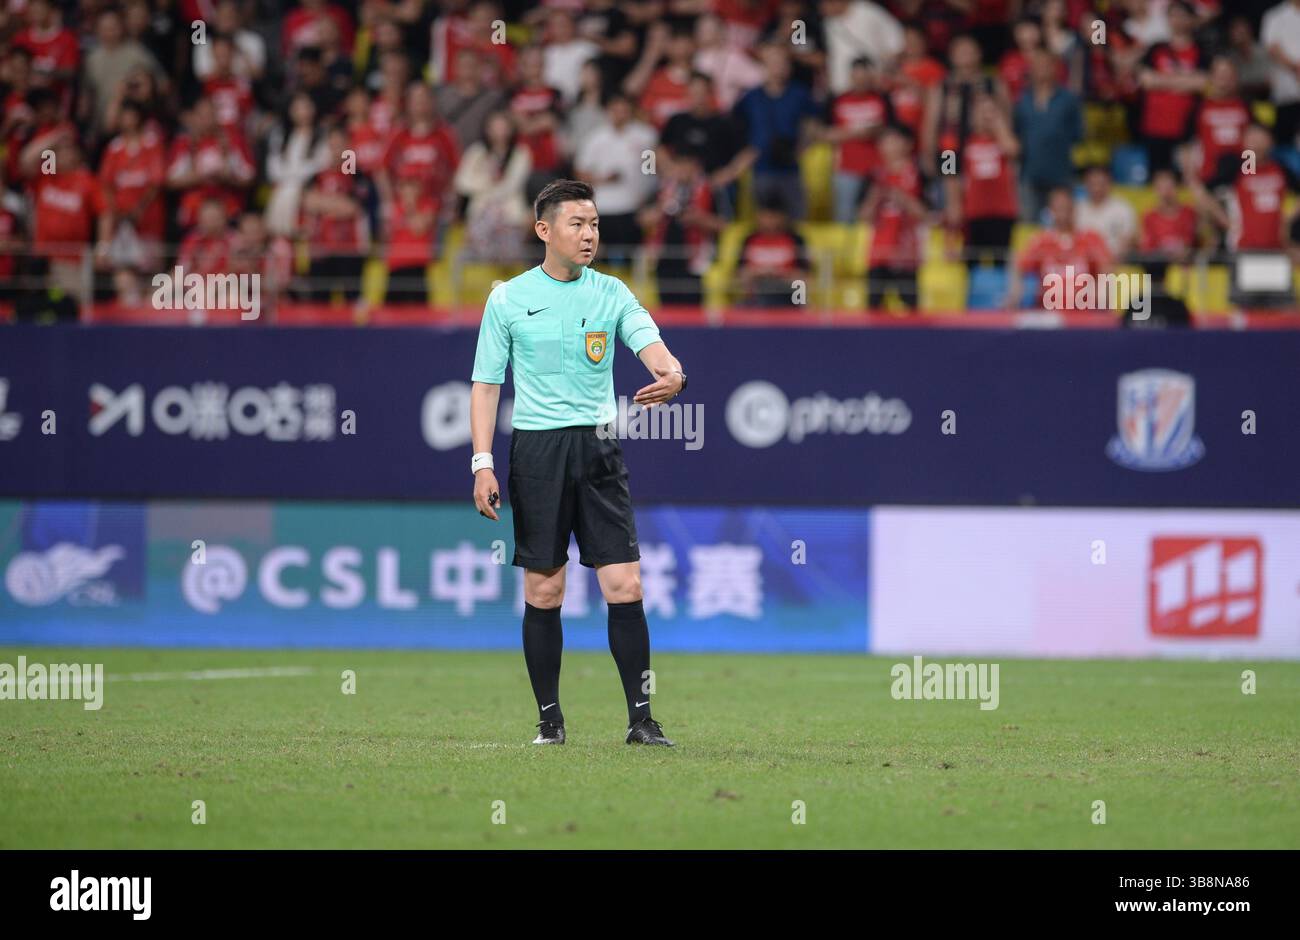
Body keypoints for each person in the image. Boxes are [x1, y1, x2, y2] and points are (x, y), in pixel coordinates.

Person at [469, 178, 685, 747]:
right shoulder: (507, 298)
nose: (589, 235)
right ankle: (550, 721)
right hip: (537, 451)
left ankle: (641, 719)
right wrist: (482, 463)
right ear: (544, 230)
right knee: (545, 593)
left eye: (593, 225)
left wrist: (673, 374)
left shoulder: (611, 293)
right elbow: (486, 386)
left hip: (598, 448)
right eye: (576, 224)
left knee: (626, 583)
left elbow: (652, 347)